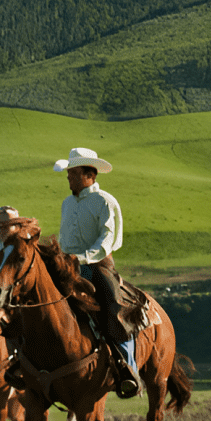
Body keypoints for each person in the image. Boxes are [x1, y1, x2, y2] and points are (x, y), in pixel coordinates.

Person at [53, 146, 139, 398]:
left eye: (72, 172)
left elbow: (106, 239)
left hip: (99, 265)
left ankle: (127, 367)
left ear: (88, 174)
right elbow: (64, 237)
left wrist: (81, 258)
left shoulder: (105, 201)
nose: (68, 176)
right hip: (70, 267)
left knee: (115, 306)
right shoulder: (67, 204)